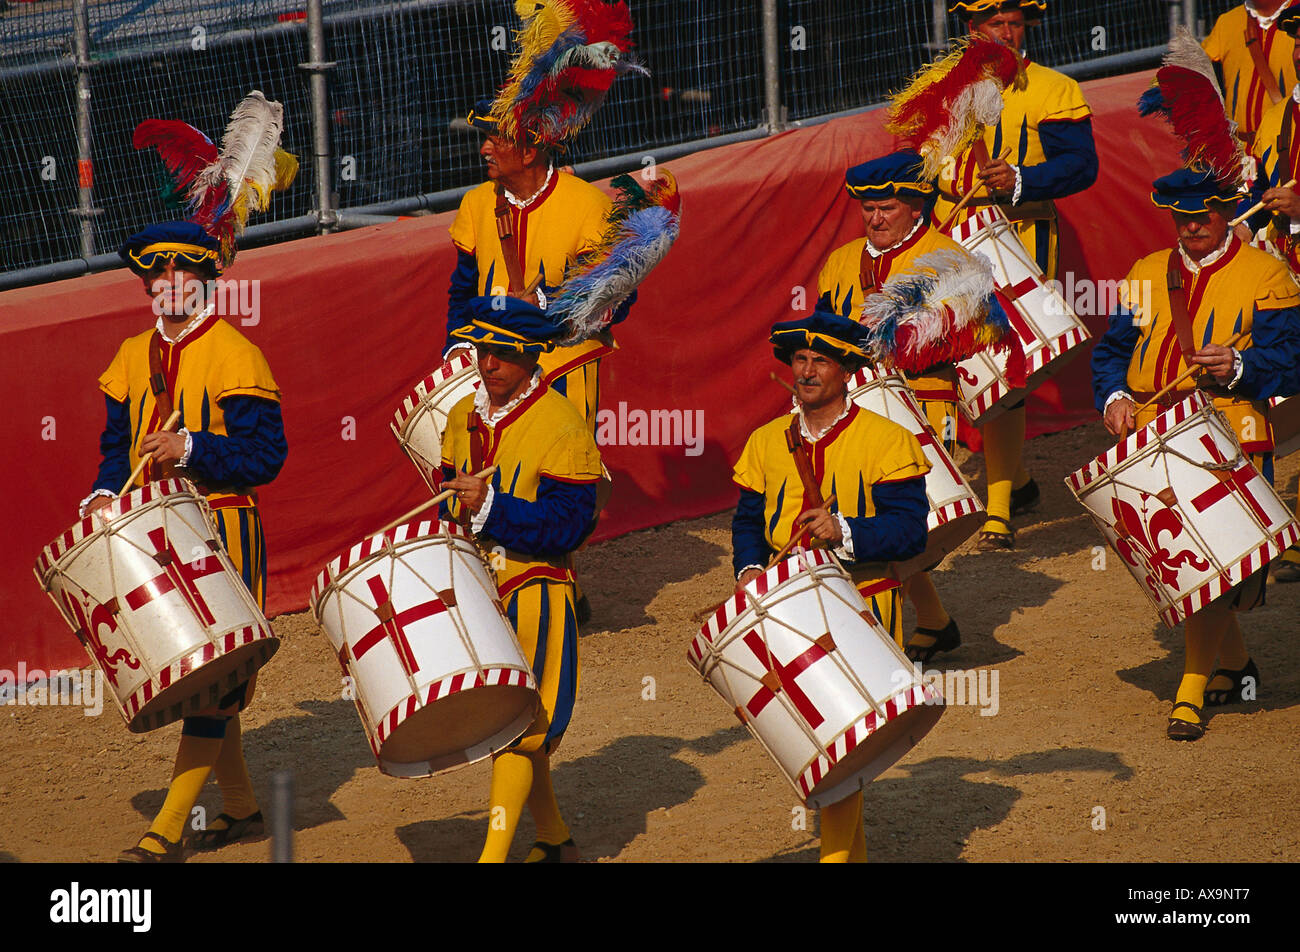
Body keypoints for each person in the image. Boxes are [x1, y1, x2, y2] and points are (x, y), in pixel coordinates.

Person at [85, 220, 288, 861]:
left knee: (216, 675)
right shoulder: (127, 356)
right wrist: (102, 493)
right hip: (156, 530)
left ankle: (163, 832)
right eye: (163, 274)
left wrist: (192, 446)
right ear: (148, 283)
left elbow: (267, 456)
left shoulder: (237, 354)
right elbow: (117, 449)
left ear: (207, 283)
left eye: (188, 274)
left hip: (223, 528)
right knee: (203, 675)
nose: (174, 284)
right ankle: (242, 805)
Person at [1091, 167, 1300, 740]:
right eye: (1180, 218)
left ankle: (1189, 693)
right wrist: (1112, 396)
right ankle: (1231, 668)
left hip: (1231, 427)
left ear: (1226, 213)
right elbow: (1112, 350)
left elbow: (1293, 361)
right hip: (1154, 432)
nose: (1190, 228)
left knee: (1219, 567)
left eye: (1201, 217)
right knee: (1185, 565)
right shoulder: (1143, 273)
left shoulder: (1267, 274)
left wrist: (1240, 368)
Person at [731, 307, 930, 861]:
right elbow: (748, 521)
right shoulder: (766, 439)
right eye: (800, 359)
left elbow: (911, 532)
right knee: (822, 747)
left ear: (847, 372)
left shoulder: (887, 440)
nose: (808, 370)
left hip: (863, 603)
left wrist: (846, 529)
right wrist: (750, 571)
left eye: (822, 361)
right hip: (787, 604)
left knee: (844, 747)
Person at [439, 296, 603, 863]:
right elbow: (443, 496)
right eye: (483, 350)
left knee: (517, 727)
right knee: (506, 722)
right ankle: (555, 840)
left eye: (503, 354)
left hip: (536, 588)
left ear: (532, 357)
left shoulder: (563, 425)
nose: (488, 364)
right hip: (478, 592)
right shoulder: (462, 416)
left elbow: (570, 527)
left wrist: (492, 507)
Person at [818, 149, 995, 662]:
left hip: (924, 403)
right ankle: (936, 622)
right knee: (865, 513)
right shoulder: (841, 260)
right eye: (867, 208)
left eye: (886, 208)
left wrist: (902, 342)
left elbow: (971, 335)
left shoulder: (949, 259)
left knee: (892, 513)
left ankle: (882, 647)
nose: (874, 218)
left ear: (916, 207)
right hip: (854, 403)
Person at [938, 0, 1099, 549]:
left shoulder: (1054, 87)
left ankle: (999, 507)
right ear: (971, 30)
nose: (1006, 32)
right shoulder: (938, 87)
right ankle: (1021, 481)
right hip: (947, 243)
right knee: (959, 369)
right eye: (994, 24)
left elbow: (1082, 165)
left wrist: (1023, 178)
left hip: (1022, 245)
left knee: (1004, 369)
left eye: (1015, 23)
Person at [1247, 7, 1300, 580]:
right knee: (1278, 383)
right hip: (1286, 265)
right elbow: (1266, 184)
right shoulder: (1287, 111)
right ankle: (1268, 526)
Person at [1204, 0, 1298, 145]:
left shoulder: (1296, 16)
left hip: (1289, 152)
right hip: (1238, 154)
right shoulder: (1227, 22)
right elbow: (1189, 74)